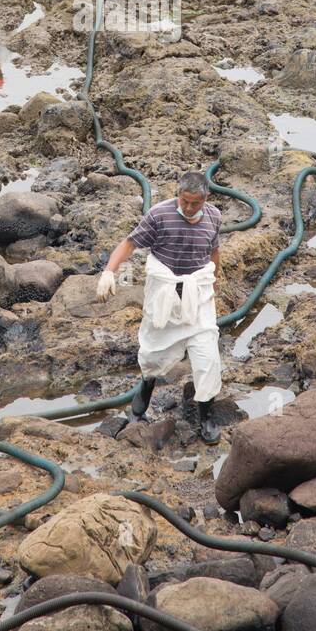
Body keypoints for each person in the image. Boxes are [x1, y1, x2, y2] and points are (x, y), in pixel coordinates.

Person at [97, 171, 222, 444]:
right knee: (154, 352)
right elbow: (129, 243)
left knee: (208, 356)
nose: (188, 208)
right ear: (178, 194)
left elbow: (213, 251)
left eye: (195, 203)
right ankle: (143, 394)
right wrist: (109, 271)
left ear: (205, 198)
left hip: (198, 294)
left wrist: (214, 281)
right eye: (184, 201)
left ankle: (207, 415)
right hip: (165, 293)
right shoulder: (159, 215)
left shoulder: (214, 217)